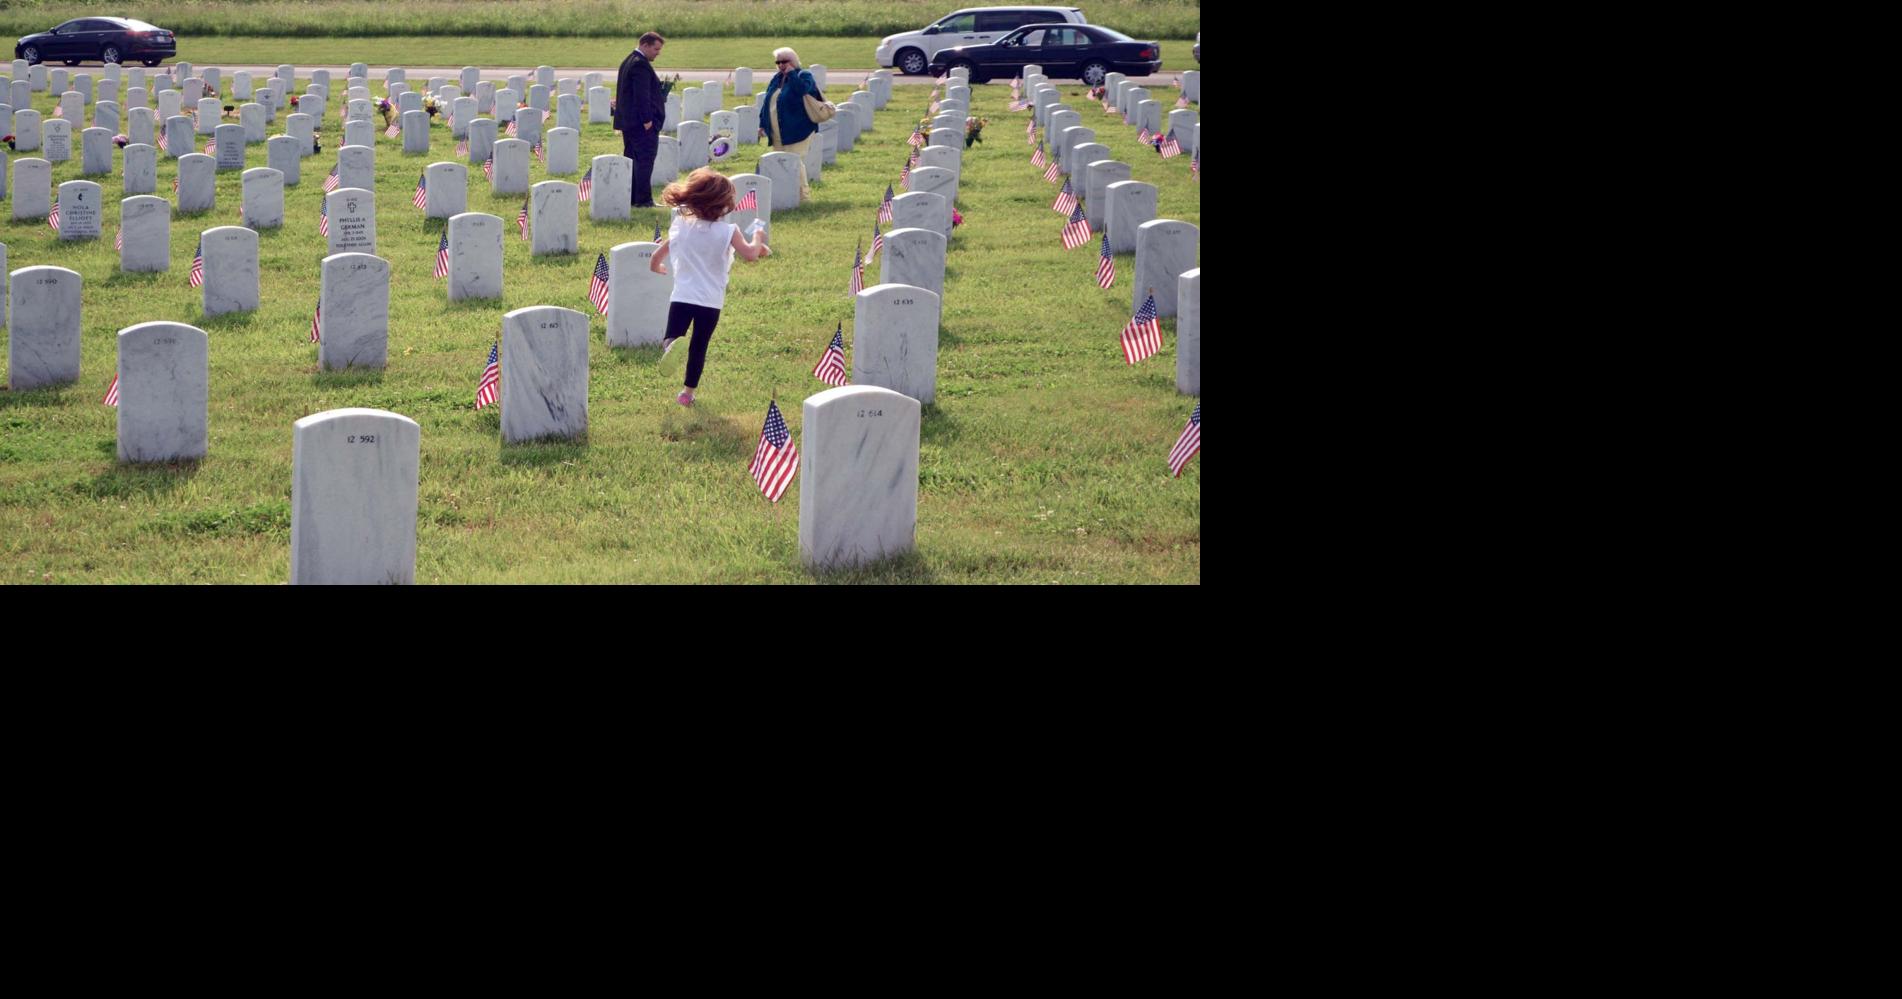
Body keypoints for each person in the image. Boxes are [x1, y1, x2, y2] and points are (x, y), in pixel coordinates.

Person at [649, 169, 772, 407]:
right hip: (710, 301)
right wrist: (758, 237)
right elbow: (750, 254)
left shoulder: (681, 225)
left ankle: (671, 345)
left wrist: (657, 267)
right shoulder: (729, 231)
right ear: (724, 204)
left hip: (682, 296)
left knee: (673, 333)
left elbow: (657, 255)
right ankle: (687, 393)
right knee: (699, 346)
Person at [758, 46, 820, 201]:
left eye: (784, 61)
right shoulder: (777, 78)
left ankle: (803, 196)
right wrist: (762, 124)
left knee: (794, 162)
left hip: (798, 130)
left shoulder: (804, 75)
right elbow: (767, 102)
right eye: (777, 62)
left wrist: (792, 73)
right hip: (778, 132)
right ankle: (784, 194)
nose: (780, 65)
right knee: (780, 162)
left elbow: (803, 90)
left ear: (792, 61)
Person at [615, 31, 667, 208]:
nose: (658, 53)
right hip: (641, 124)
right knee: (644, 161)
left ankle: (633, 198)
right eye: (656, 49)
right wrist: (648, 120)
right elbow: (641, 95)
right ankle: (644, 200)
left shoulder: (628, 60)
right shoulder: (640, 64)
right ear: (644, 45)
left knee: (632, 159)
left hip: (629, 123)